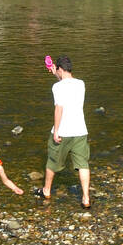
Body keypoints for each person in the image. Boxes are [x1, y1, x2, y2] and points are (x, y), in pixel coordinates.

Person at [36, 55, 91, 209]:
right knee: (83, 164)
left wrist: (56, 131)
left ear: (60, 69)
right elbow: (67, 86)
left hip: (63, 132)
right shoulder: (81, 84)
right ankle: (86, 198)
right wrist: (56, 74)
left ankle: (46, 190)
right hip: (80, 131)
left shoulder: (57, 87)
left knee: (52, 162)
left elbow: (59, 108)